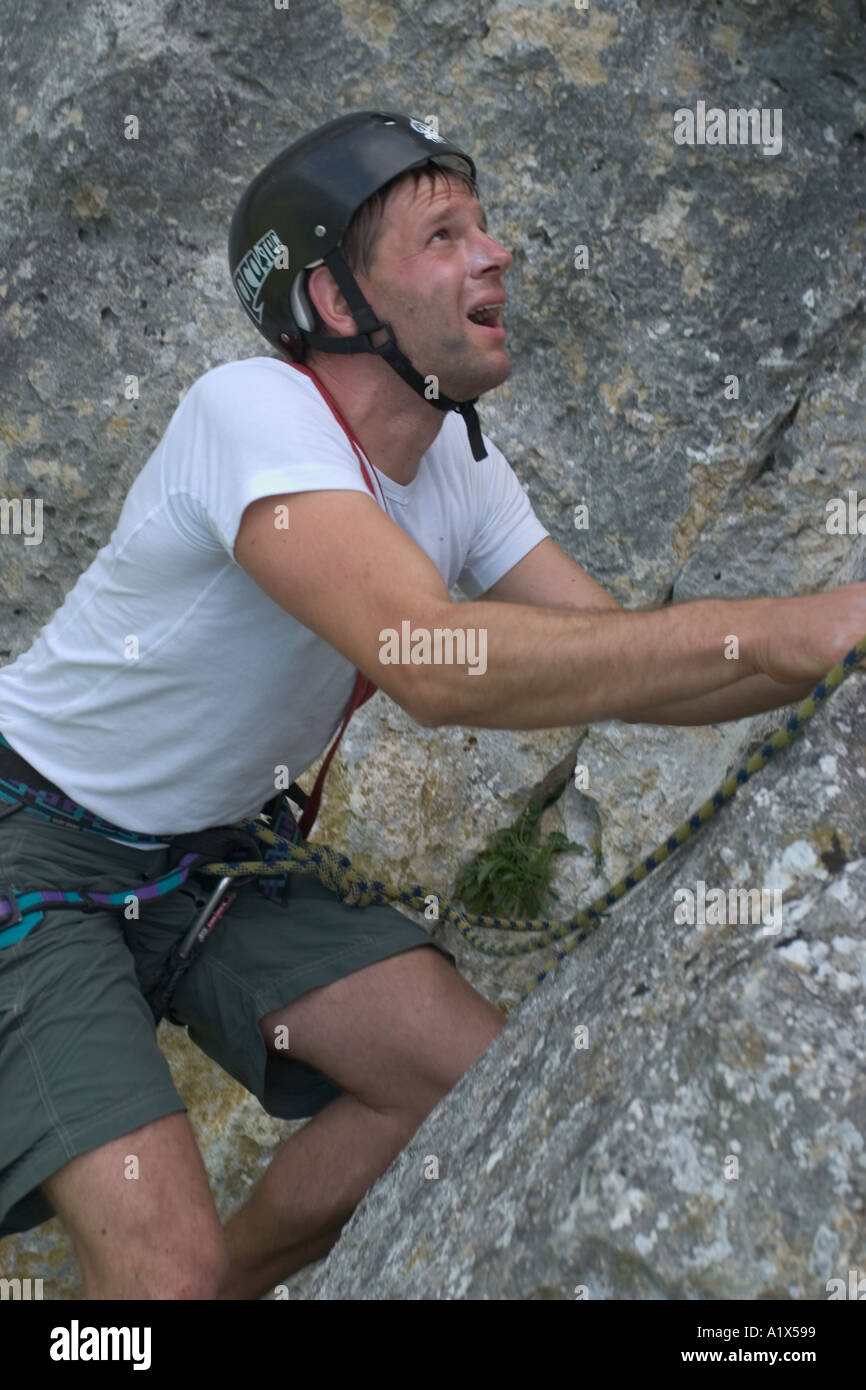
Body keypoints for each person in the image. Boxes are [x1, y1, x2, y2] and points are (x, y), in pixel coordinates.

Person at [0, 110, 863, 1302]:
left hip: (202, 858)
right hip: (30, 849)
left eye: (484, 224)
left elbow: (614, 657)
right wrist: (799, 624)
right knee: (160, 1273)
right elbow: (433, 659)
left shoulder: (456, 464)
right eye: (442, 234)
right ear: (336, 301)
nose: (494, 252)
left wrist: (830, 643)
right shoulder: (248, 412)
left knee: (468, 1084)